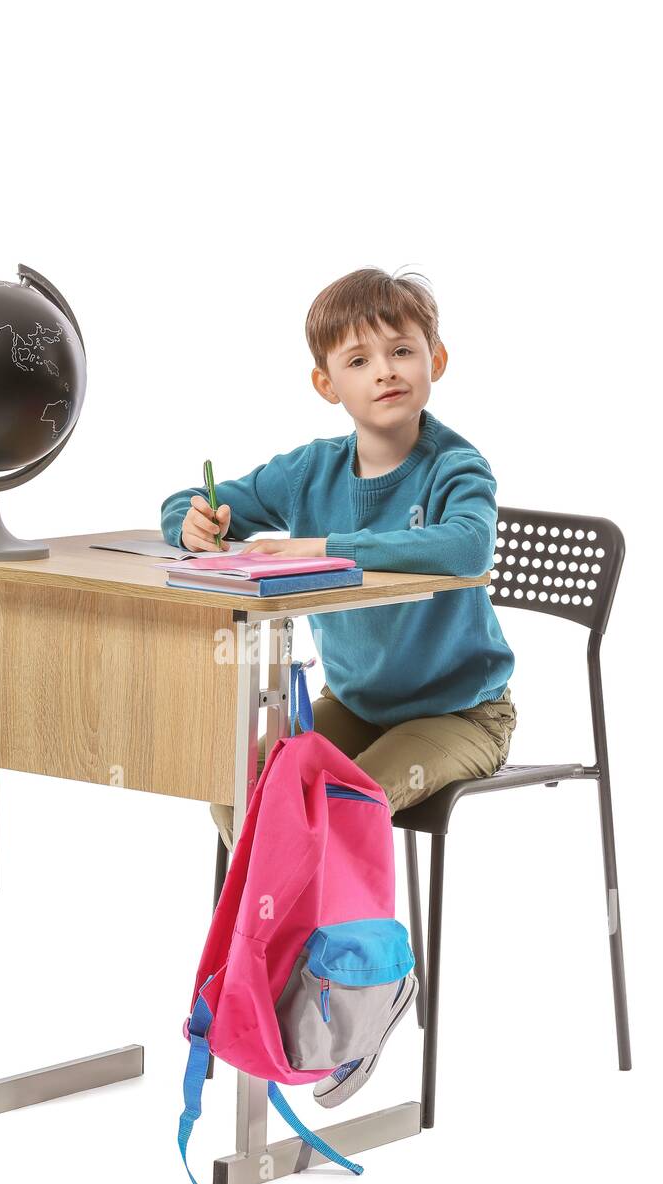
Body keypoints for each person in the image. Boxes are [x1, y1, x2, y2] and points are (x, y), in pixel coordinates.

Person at [160, 266, 518, 1105]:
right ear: (327, 384)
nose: (385, 371)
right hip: (356, 707)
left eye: (402, 351)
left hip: (460, 714)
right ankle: (293, 969)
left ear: (436, 360)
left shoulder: (455, 466)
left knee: (336, 808)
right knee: (241, 783)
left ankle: (371, 987)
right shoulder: (311, 471)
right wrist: (194, 518)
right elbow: (195, 500)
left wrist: (321, 546)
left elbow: (466, 547)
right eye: (359, 360)